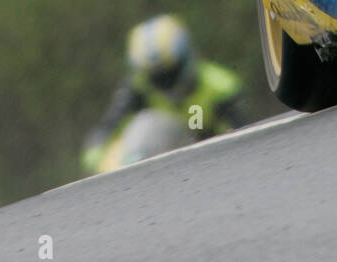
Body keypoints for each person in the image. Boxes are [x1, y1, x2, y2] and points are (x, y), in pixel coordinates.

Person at [81, 15, 248, 174]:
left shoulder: (221, 87)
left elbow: (244, 134)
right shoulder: (137, 88)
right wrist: (97, 158)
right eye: (156, 77)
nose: (165, 83)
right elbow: (107, 127)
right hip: (154, 166)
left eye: (170, 73)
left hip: (209, 163)